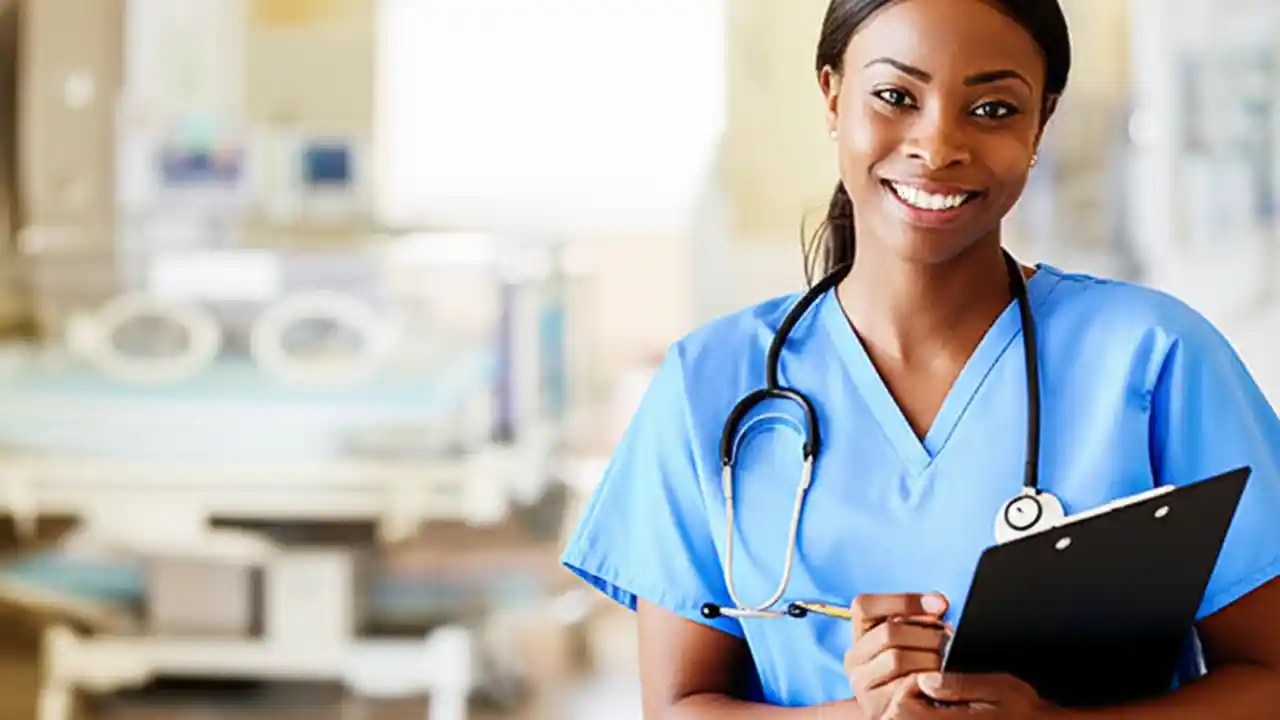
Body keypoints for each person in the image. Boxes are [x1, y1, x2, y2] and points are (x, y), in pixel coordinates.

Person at [560, 0, 1280, 716]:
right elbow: (681, 707)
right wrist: (864, 714)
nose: (938, 147)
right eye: (896, 96)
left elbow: (1270, 678)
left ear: (1041, 124)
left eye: (994, 109)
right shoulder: (708, 386)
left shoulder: (1157, 361)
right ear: (833, 97)